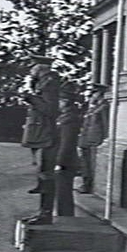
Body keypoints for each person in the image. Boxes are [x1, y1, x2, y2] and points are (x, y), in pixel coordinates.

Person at [20, 54, 60, 200]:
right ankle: (42, 188)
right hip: (41, 128)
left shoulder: (49, 84)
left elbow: (50, 109)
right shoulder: (41, 82)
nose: (31, 70)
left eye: (32, 67)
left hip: (46, 129)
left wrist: (31, 99)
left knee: (47, 165)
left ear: (40, 68)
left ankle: (46, 205)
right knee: (44, 164)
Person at [52, 81, 81, 217]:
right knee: (61, 191)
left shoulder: (69, 118)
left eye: (60, 100)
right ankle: (63, 214)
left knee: (63, 191)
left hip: (66, 162)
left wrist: (59, 162)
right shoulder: (66, 117)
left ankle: (66, 217)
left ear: (66, 101)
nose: (58, 103)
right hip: (66, 161)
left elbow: (66, 143)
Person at [77, 83, 110, 194]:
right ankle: (86, 184)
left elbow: (106, 125)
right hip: (86, 139)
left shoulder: (104, 107)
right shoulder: (93, 107)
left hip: (96, 140)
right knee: (85, 164)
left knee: (92, 164)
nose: (92, 96)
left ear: (100, 93)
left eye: (94, 93)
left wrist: (105, 139)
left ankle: (89, 186)